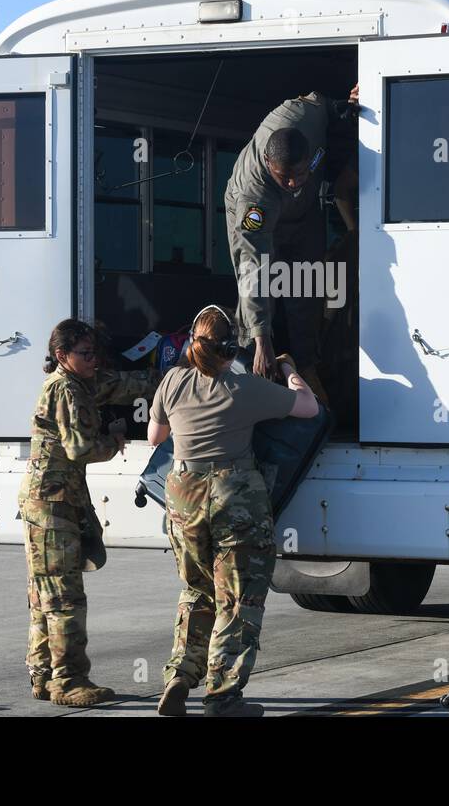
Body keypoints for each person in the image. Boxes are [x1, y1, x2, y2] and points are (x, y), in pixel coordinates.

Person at [147, 304, 319, 717]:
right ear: (228, 348)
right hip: (233, 496)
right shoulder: (243, 389)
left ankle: (179, 677)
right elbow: (308, 407)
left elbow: (155, 436)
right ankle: (222, 696)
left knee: (196, 590)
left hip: (183, 494)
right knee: (238, 599)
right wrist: (291, 368)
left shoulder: (172, 381)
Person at [19, 318, 157, 706]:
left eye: (95, 352)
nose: (93, 359)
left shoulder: (81, 381)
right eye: (85, 353)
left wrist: (170, 376)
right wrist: (114, 440)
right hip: (53, 506)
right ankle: (69, 681)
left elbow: (123, 384)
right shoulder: (67, 389)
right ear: (62, 355)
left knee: (44, 594)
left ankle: (44, 675)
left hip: (53, 502)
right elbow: (81, 448)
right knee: (63, 598)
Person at [224, 86, 359, 397]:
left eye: (299, 174)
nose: (292, 182)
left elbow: (323, 103)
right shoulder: (254, 196)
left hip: (304, 214)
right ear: (269, 165)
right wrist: (262, 338)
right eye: (283, 177)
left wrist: (352, 100)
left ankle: (308, 366)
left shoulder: (304, 117)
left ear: (309, 155)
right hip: (264, 221)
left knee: (307, 285)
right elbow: (251, 268)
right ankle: (253, 376)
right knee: (266, 287)